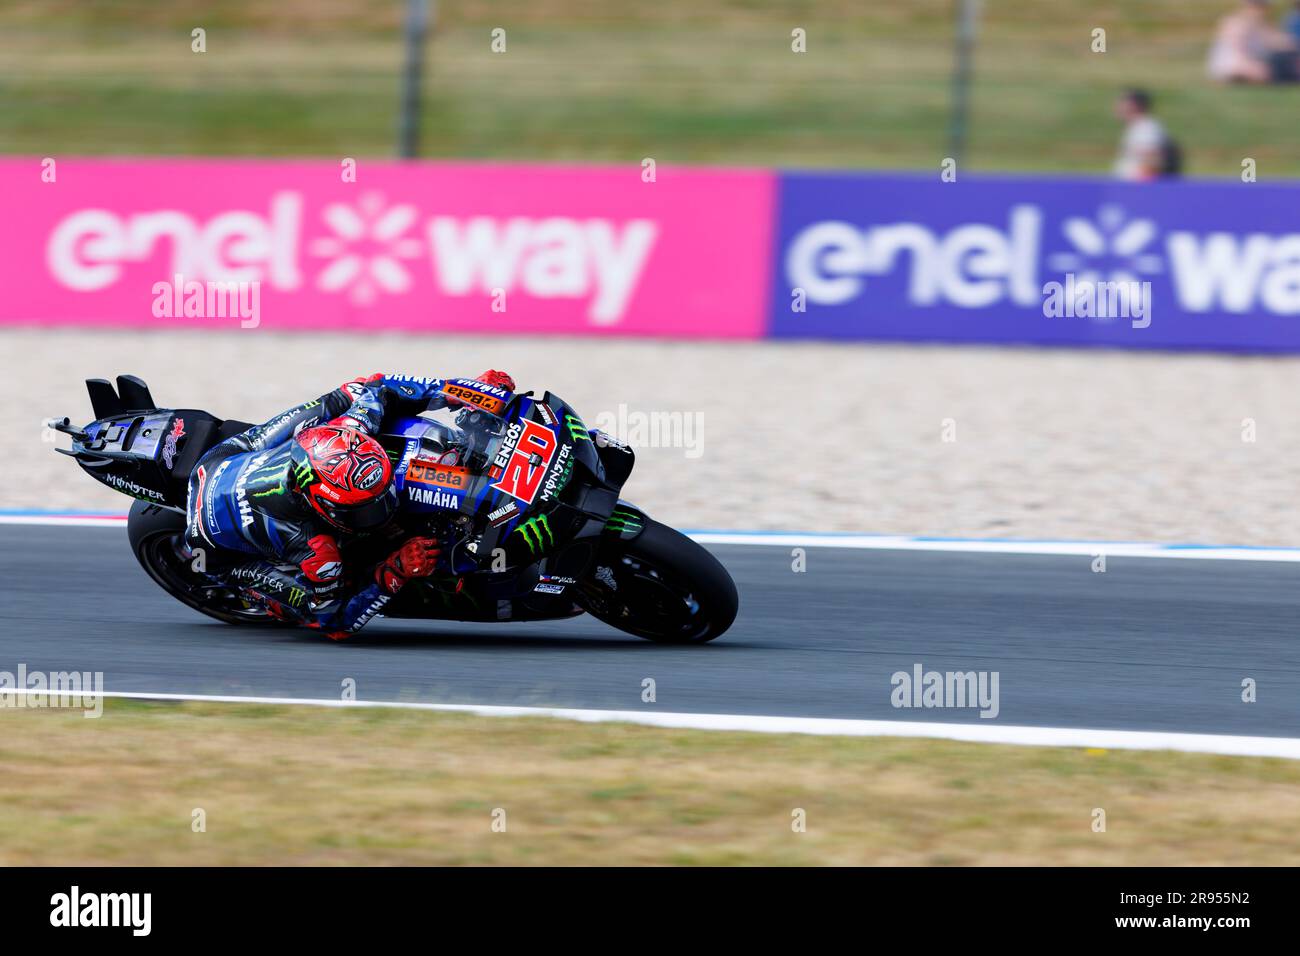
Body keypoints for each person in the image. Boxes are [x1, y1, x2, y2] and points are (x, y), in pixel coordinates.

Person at [183, 369, 515, 639]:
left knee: (349, 392)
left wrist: (473, 395)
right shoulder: (315, 550)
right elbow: (334, 623)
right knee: (306, 608)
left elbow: (379, 387)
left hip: (223, 459)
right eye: (366, 508)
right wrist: (396, 569)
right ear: (325, 507)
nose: (384, 508)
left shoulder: (352, 429)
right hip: (213, 545)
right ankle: (252, 591)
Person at [1207, 0, 1298, 84]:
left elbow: (1281, 42)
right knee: (1268, 72)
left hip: (1255, 62)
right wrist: (1253, 66)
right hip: (1235, 64)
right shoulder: (1236, 23)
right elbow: (1237, 52)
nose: (1260, 10)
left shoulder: (1261, 25)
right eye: (1257, 6)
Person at [1113, 89, 1180, 181]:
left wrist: (1138, 189)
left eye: (1122, 102)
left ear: (1134, 105)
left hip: (1137, 188)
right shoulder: (1138, 127)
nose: (1117, 106)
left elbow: (1152, 163)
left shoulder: (1146, 129)